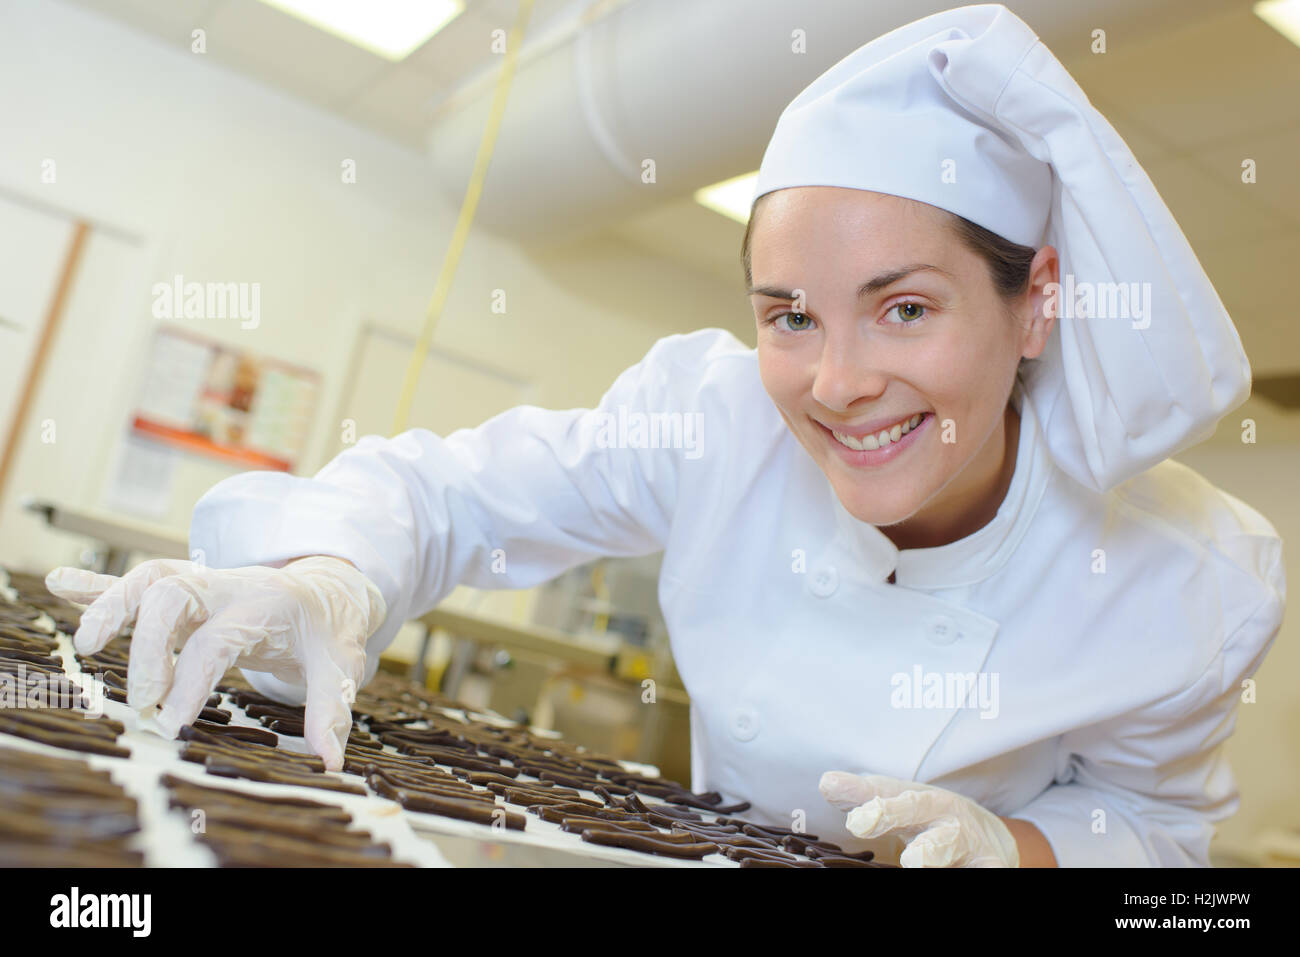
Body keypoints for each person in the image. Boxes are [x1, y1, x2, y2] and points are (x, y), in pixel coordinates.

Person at [48, 4, 1284, 867]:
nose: (839, 383)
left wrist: (1007, 849)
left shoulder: (1183, 573)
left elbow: (1161, 845)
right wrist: (326, 574)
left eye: (904, 309)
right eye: (789, 315)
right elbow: (453, 497)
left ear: (1037, 302)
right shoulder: (716, 418)